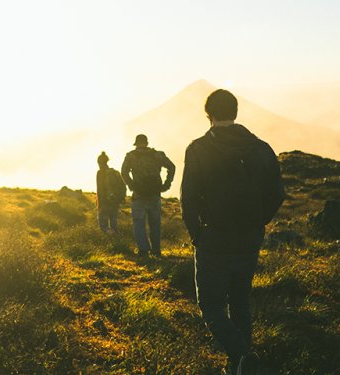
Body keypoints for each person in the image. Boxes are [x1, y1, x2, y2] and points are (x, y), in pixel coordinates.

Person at [180, 89, 284, 375]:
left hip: (212, 239)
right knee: (239, 302)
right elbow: (277, 193)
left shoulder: (198, 149)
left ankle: (241, 355)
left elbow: (188, 197)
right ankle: (242, 363)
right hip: (248, 239)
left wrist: (196, 234)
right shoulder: (261, 148)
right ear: (235, 113)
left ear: (209, 114)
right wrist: (259, 222)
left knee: (211, 308)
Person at [121, 134, 175, 257]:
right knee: (155, 224)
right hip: (155, 194)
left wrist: (132, 186)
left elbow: (123, 172)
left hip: (139, 195)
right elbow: (172, 167)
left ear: (136, 143)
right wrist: (167, 184)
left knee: (139, 223)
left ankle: (143, 250)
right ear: (147, 143)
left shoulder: (131, 156)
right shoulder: (157, 155)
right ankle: (156, 251)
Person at [96, 151, 125, 234]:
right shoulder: (115, 173)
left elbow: (100, 189)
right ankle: (118, 242)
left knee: (103, 226)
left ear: (99, 162)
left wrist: (100, 205)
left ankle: (111, 234)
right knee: (114, 225)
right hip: (115, 202)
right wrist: (121, 199)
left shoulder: (100, 173)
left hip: (104, 203)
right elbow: (123, 186)